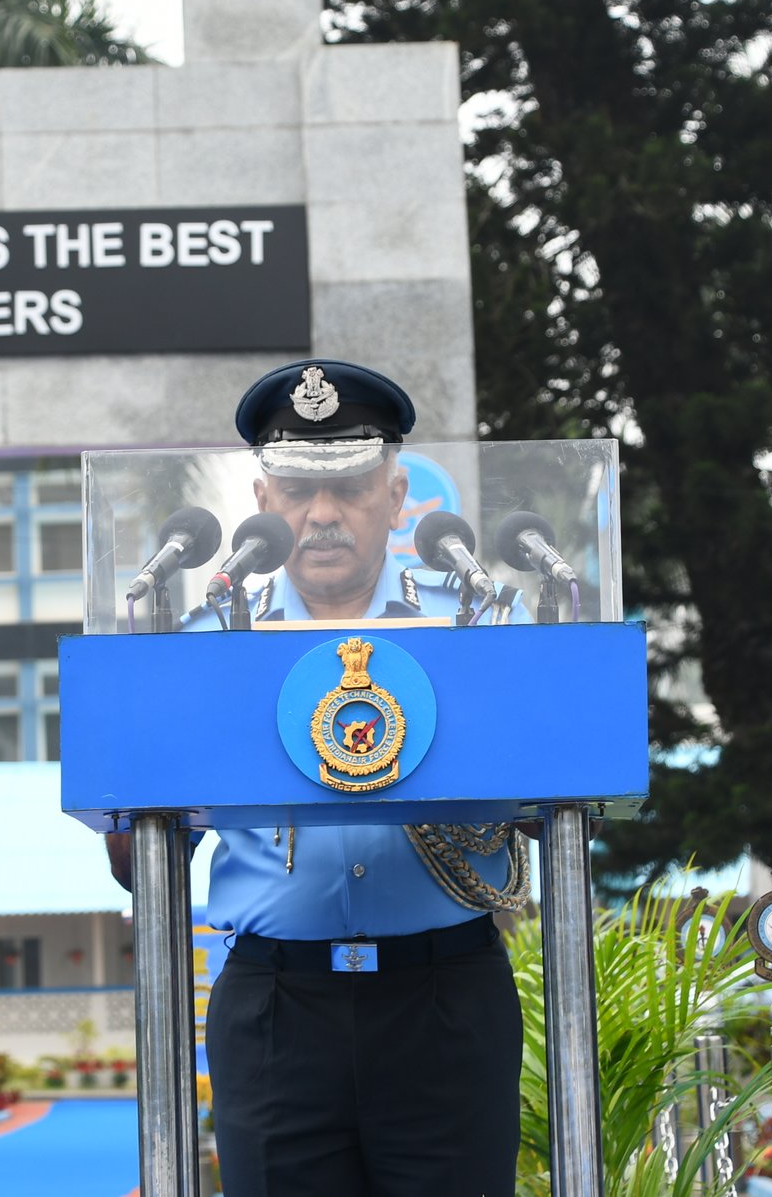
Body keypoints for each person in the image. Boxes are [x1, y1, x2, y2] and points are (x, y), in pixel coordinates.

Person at [109, 359, 530, 1197]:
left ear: (397, 496)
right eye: (298, 490)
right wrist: (132, 771)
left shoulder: (477, 626)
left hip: (445, 1000)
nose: (323, 514)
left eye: (350, 488)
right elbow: (138, 861)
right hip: (276, 1010)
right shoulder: (208, 640)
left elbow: (552, 802)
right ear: (263, 504)